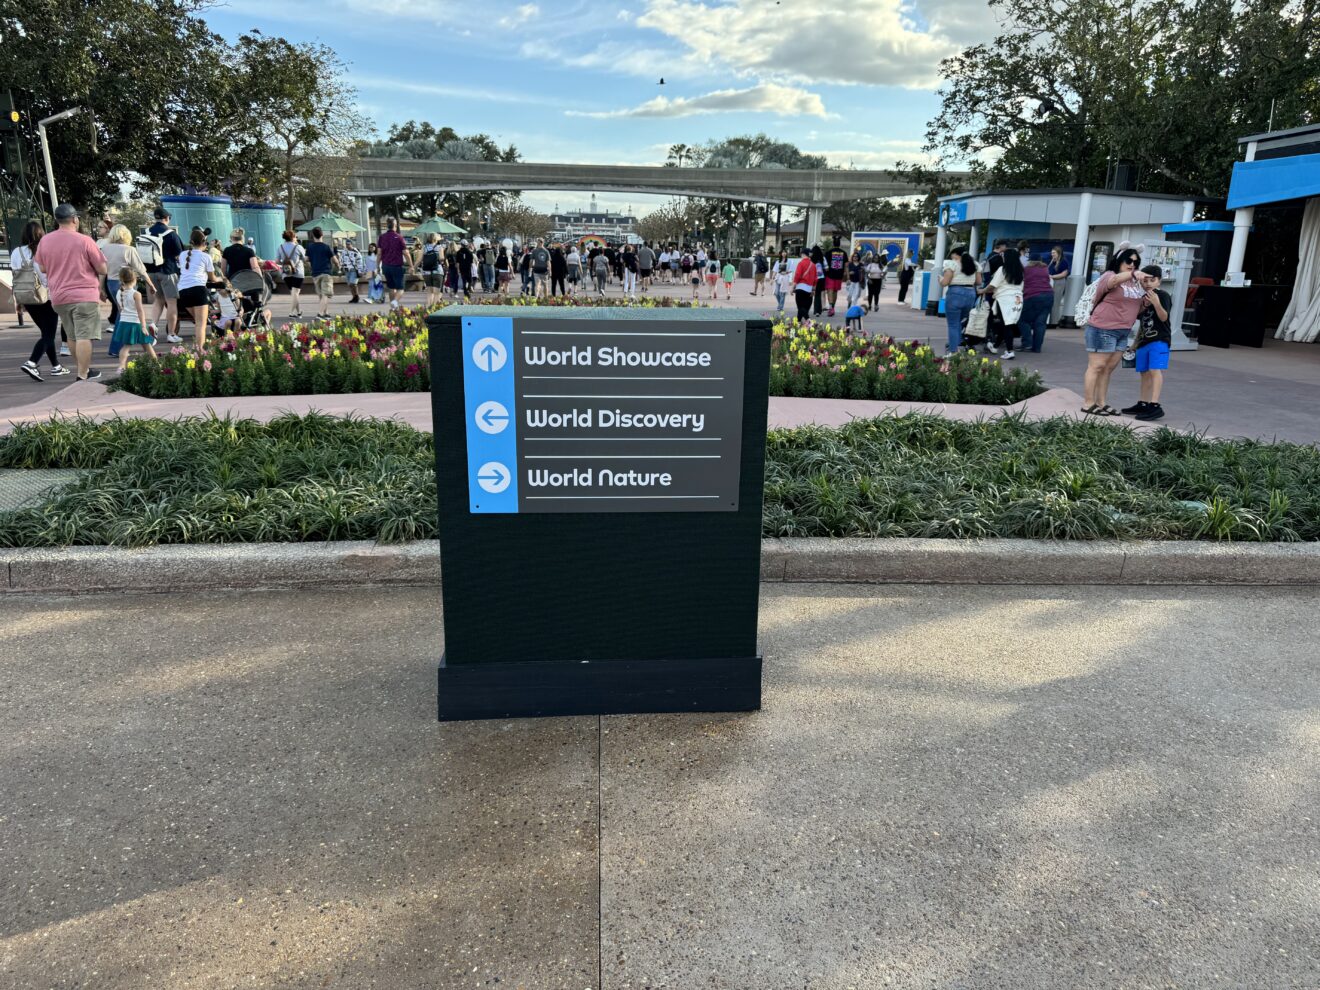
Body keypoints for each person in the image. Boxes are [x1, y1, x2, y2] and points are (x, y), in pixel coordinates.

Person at [33, 204, 108, 381]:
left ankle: (84, 370)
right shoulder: (84, 240)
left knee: (72, 336)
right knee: (84, 335)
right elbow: (102, 268)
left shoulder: (45, 241)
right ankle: (83, 374)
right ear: (75, 219)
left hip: (59, 296)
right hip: (84, 295)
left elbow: (42, 268)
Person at [1082, 246, 1145, 416]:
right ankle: (1088, 403)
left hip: (1123, 331)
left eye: (1136, 262)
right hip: (1103, 328)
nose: (1133, 264)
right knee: (1097, 366)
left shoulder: (1134, 284)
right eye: (1129, 261)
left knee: (1108, 368)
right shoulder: (1109, 276)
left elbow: (1135, 308)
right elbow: (1115, 280)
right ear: (1119, 260)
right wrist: (1133, 274)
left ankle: (1102, 402)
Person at [13, 220, 71, 382]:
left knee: (46, 333)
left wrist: (18, 300)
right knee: (48, 334)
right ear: (41, 234)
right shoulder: (45, 250)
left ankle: (56, 367)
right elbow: (51, 274)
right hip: (46, 296)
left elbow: (15, 276)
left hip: (27, 297)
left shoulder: (16, 252)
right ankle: (31, 362)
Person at [1122, 265, 1173, 421]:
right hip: (1144, 341)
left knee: (1154, 370)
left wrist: (1156, 303)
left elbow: (1164, 317)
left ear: (1159, 281)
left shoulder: (1162, 295)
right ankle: (1143, 403)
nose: (1149, 283)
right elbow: (1142, 323)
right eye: (1145, 281)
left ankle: (1155, 404)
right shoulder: (1142, 298)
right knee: (1144, 372)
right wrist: (1135, 343)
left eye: (1153, 280)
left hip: (1159, 340)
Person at [144, 206, 184, 344]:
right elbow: (180, 254)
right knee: (171, 302)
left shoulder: (147, 231)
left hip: (151, 271)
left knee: (158, 300)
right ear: (166, 218)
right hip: (168, 271)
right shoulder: (171, 234)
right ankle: (171, 334)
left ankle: (153, 325)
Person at [175, 227, 217, 347]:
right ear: (204, 242)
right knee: (201, 324)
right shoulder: (206, 256)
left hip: (183, 291)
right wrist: (220, 279)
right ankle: (201, 352)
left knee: (198, 320)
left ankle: (199, 348)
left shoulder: (183, 255)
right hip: (198, 289)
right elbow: (212, 278)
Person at [110, 267, 157, 372]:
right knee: (147, 344)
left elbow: (120, 309)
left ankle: (121, 367)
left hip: (124, 322)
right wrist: (144, 326)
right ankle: (156, 365)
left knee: (126, 346)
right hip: (136, 323)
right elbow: (140, 311)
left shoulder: (119, 292)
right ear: (135, 279)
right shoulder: (136, 294)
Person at [939, 248, 980, 355]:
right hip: (971, 294)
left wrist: (940, 279)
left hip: (955, 293)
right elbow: (979, 281)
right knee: (960, 321)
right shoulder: (975, 264)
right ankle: (957, 342)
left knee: (953, 324)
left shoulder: (952, 264)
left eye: (952, 255)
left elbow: (945, 282)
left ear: (956, 255)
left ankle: (953, 351)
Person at [1019, 255, 1054, 353]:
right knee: (1040, 323)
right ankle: (1037, 347)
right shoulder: (1045, 269)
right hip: (1048, 295)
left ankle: (1027, 344)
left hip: (1032, 296)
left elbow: (1022, 282)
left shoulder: (1027, 269)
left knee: (1022, 320)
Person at [305, 227, 337, 319]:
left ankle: (326, 313)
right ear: (322, 235)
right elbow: (334, 260)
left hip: (315, 274)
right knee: (325, 294)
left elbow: (306, 259)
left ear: (313, 236)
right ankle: (320, 314)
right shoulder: (326, 247)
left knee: (322, 295)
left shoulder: (310, 247)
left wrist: (310, 265)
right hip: (326, 273)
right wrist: (338, 265)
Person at [377, 218, 409, 309]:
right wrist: (411, 265)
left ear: (387, 225)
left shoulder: (382, 237)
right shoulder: (399, 237)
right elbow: (406, 253)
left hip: (386, 266)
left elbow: (379, 253)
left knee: (391, 287)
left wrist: (377, 266)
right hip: (396, 266)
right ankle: (395, 302)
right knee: (400, 288)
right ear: (395, 225)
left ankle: (393, 307)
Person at [275, 231, 307, 317]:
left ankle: (299, 311)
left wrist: (285, 264)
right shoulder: (298, 247)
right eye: (295, 236)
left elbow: (277, 261)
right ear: (293, 237)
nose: (296, 238)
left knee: (294, 293)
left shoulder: (280, 247)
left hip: (286, 273)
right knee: (295, 293)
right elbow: (305, 259)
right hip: (298, 272)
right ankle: (291, 312)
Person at [823, 239, 848, 316]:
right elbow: (846, 265)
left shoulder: (828, 252)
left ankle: (830, 306)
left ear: (833, 244)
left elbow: (825, 263)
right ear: (839, 244)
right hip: (839, 275)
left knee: (830, 290)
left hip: (830, 274)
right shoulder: (844, 253)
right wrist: (845, 273)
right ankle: (833, 307)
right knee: (835, 291)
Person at [792, 245, 817, 322]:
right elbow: (816, 278)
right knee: (804, 308)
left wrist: (793, 286)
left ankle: (808, 320)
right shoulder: (813, 265)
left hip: (800, 287)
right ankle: (798, 322)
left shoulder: (801, 263)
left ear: (803, 254)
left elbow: (797, 275)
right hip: (809, 289)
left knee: (800, 307)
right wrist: (813, 290)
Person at [420, 234, 444, 307]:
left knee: (429, 292)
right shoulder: (440, 247)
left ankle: (429, 307)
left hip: (426, 272)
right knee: (436, 292)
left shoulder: (425, 247)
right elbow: (441, 258)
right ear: (436, 239)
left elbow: (419, 259)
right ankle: (434, 309)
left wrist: (413, 267)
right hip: (437, 271)